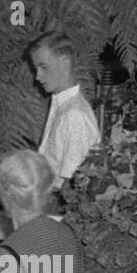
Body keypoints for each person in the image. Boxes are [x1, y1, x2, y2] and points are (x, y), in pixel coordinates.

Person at [29, 31, 100, 191]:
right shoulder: (63, 107)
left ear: (64, 63)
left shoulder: (74, 115)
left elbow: (73, 186)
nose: (38, 77)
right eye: (36, 68)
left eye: (43, 67)